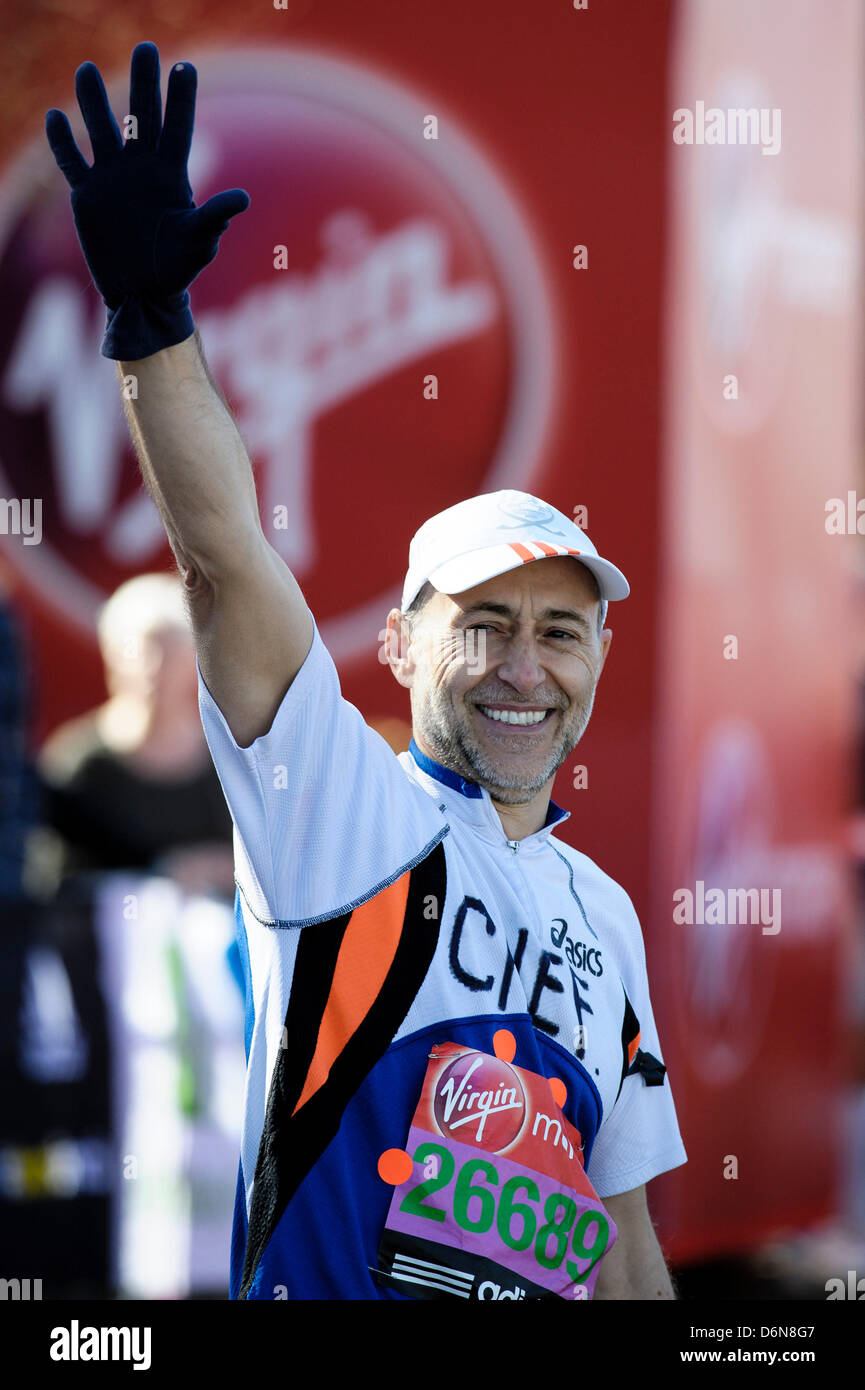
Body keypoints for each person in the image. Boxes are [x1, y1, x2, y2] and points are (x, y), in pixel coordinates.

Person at [46, 41, 687, 1300]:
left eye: (560, 631)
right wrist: (153, 330)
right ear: (397, 646)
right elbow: (225, 558)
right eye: (482, 622)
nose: (523, 667)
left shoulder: (602, 913)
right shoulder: (341, 811)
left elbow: (623, 1243)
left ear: (600, 656)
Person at [39, 573, 235, 898]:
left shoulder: (227, 763)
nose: (154, 668)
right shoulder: (78, 765)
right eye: (142, 650)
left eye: (170, 651)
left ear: (194, 661)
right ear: (112, 657)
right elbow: (55, 877)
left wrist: (215, 868)